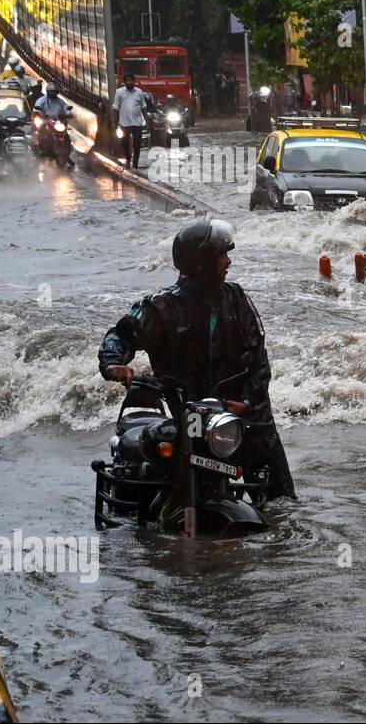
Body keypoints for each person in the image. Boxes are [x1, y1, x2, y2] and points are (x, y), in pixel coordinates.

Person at [98, 220, 296, 502]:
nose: (228, 262)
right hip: (189, 420)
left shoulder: (237, 299)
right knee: (158, 462)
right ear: (201, 262)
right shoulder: (161, 307)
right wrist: (113, 362)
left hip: (239, 419)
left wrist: (249, 404)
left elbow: (259, 363)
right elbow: (122, 335)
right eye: (222, 255)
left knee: (283, 503)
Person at [112, 73, 148, 168]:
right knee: (124, 141)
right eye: (127, 81)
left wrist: (146, 120)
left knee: (137, 142)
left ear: (134, 82)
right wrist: (115, 121)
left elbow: (143, 107)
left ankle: (135, 164)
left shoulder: (139, 92)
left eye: (131, 80)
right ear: (124, 82)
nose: (129, 82)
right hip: (124, 122)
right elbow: (115, 107)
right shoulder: (119, 92)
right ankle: (128, 157)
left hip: (137, 122)